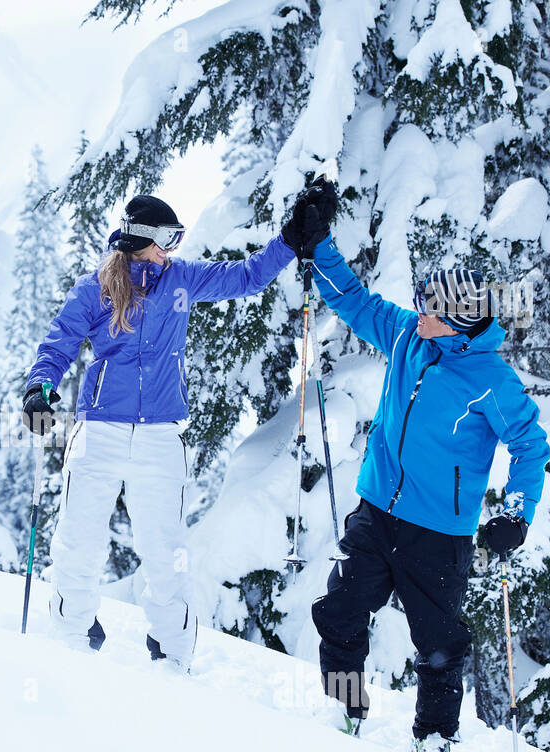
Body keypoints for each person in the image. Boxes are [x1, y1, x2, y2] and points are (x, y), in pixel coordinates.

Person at [21, 189, 333, 670]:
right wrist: (39, 389)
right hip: (100, 429)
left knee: (164, 550)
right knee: (78, 539)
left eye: (178, 237)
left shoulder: (181, 279)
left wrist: (289, 241)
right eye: (167, 237)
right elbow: (57, 344)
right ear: (140, 239)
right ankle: (72, 634)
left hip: (160, 436)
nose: (173, 247)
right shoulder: (95, 289)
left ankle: (171, 650)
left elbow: (247, 277)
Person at [306, 197, 550, 752]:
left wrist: (516, 513)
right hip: (376, 512)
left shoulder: (492, 379)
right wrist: (318, 244)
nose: (417, 313)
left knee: (439, 643)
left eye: (430, 309)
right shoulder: (407, 337)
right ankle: (345, 708)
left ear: (460, 320)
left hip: (439, 531)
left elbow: (530, 449)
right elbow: (352, 299)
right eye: (418, 303)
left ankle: (435, 738)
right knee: (341, 610)